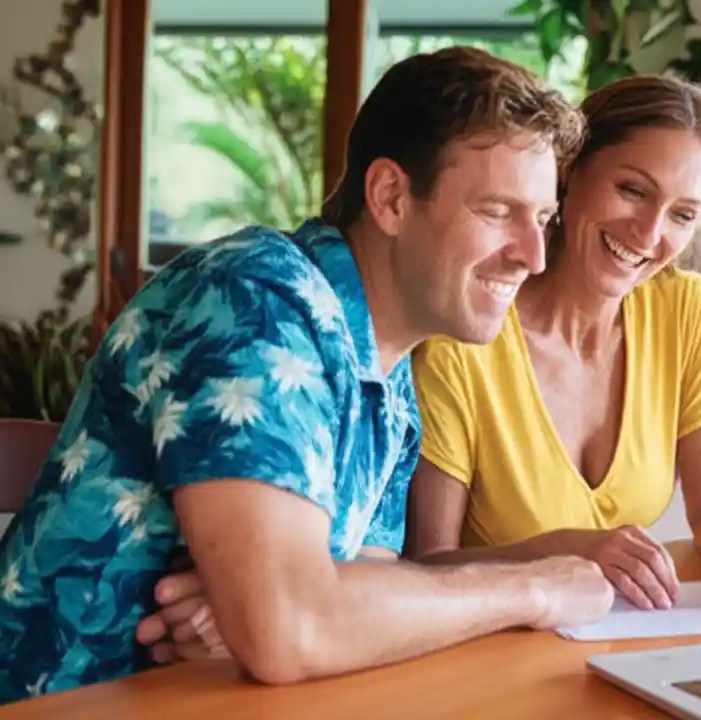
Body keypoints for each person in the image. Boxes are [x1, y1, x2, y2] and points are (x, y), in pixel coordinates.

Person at [0, 47, 613, 704]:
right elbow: (293, 626)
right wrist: (534, 587)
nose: (533, 255)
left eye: (543, 219)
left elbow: (363, 583)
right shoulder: (257, 302)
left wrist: (278, 603)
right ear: (391, 197)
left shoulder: (386, 367)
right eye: (498, 211)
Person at [405, 75, 701, 612]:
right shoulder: (466, 334)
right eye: (632, 190)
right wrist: (563, 553)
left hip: (609, 644)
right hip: (485, 653)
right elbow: (426, 564)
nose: (649, 234)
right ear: (568, 173)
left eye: (682, 214)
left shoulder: (689, 311)